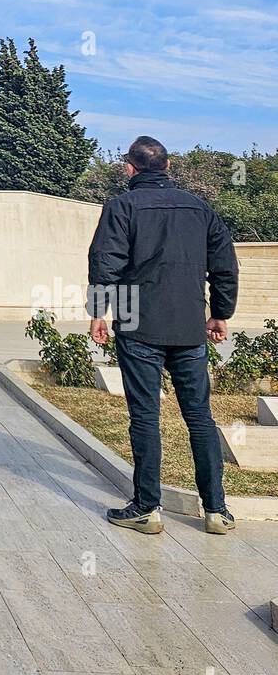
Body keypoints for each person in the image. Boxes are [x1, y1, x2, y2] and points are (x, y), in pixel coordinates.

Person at [87, 135, 239, 536]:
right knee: (200, 418)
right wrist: (221, 313)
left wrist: (98, 314)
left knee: (145, 416)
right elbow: (225, 263)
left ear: (129, 168)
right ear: (168, 168)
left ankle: (146, 508)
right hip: (189, 324)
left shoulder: (121, 207)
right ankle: (216, 511)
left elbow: (106, 263)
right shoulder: (200, 208)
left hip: (138, 322)